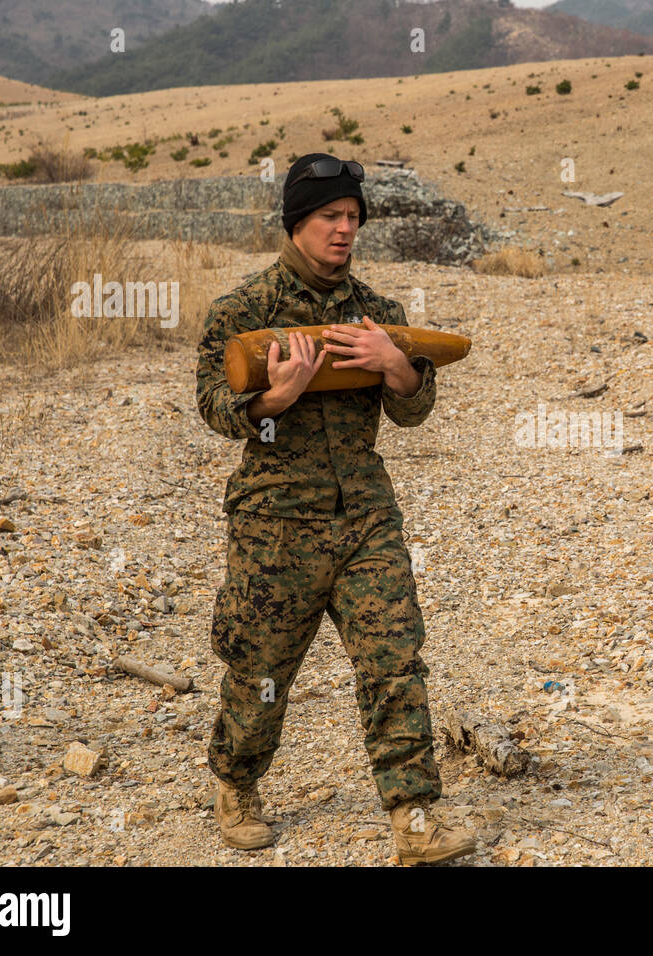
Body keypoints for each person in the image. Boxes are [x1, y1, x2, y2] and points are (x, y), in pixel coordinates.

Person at [195, 152, 475, 866]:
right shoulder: (243, 312)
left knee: (394, 661)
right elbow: (213, 408)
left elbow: (413, 413)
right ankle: (235, 783)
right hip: (275, 525)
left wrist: (396, 366)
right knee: (260, 671)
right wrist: (272, 402)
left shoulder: (380, 315)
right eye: (330, 217)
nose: (344, 230)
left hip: (366, 519)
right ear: (297, 223)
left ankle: (414, 818)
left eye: (353, 217)